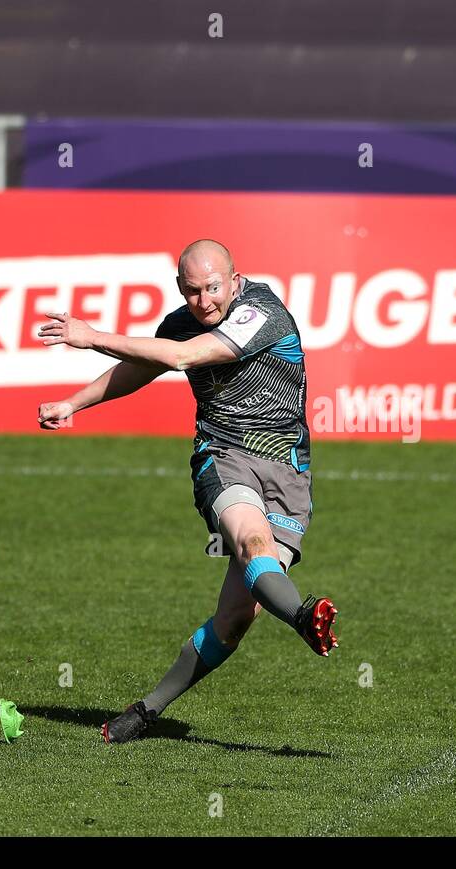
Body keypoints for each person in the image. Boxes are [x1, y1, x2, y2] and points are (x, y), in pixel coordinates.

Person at [36, 239, 338, 744]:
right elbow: (142, 368)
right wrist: (75, 402)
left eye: (213, 287)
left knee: (237, 617)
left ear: (235, 281)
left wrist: (91, 336)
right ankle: (306, 617)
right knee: (251, 544)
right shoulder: (180, 321)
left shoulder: (261, 312)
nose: (204, 300)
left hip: (288, 471)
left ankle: (146, 710)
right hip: (223, 457)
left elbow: (181, 358)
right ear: (181, 288)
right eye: (193, 290)